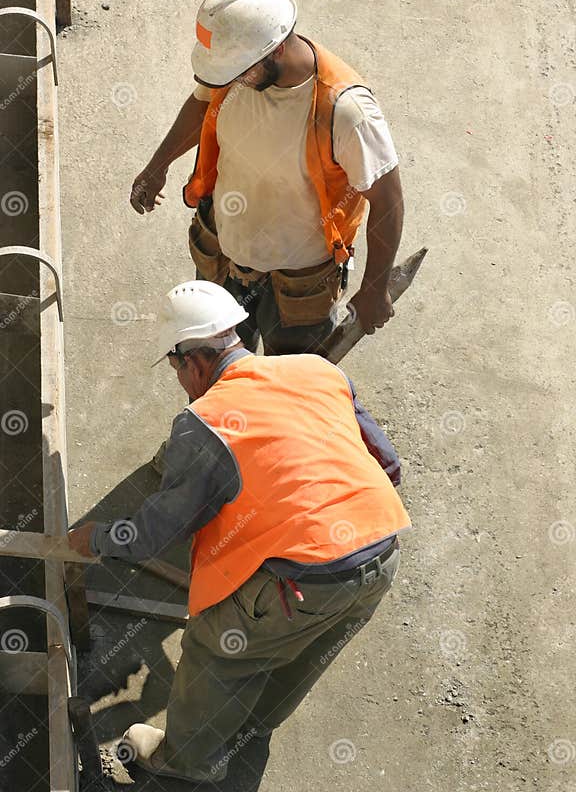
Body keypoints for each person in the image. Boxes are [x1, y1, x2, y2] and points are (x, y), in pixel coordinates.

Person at [68, 280, 411, 783]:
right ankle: (253, 726)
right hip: (382, 549)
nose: (179, 379)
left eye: (174, 366)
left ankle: (186, 762)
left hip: (301, 580)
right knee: (309, 649)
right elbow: (389, 463)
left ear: (196, 362)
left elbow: (157, 531)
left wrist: (97, 538)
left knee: (214, 650)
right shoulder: (316, 370)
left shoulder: (204, 421)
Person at [130, 0, 404, 355]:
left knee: (286, 395)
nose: (233, 81)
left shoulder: (344, 110)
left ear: (274, 50)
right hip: (224, 260)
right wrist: (156, 166)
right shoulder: (237, 73)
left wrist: (376, 287)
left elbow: (388, 198)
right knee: (218, 386)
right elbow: (201, 103)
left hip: (297, 287)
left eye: (241, 71)